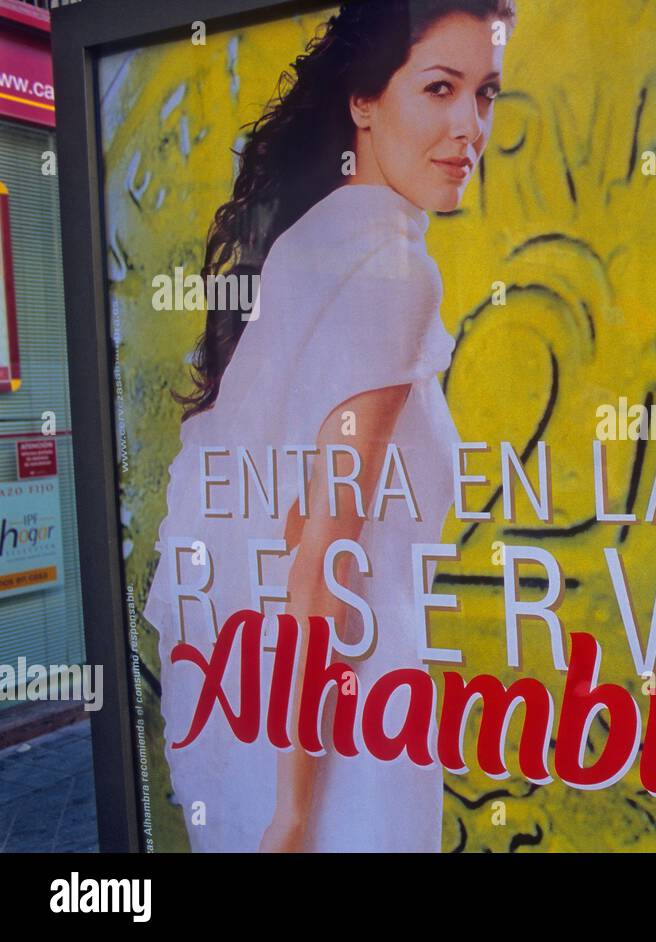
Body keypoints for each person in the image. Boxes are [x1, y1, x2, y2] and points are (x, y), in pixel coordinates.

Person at [142, 0, 517, 852]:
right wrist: (296, 812)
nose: (469, 128)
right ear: (363, 101)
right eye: (439, 88)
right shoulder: (393, 272)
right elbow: (322, 557)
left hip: (259, 704)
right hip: (344, 742)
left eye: (487, 94)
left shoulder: (313, 239)